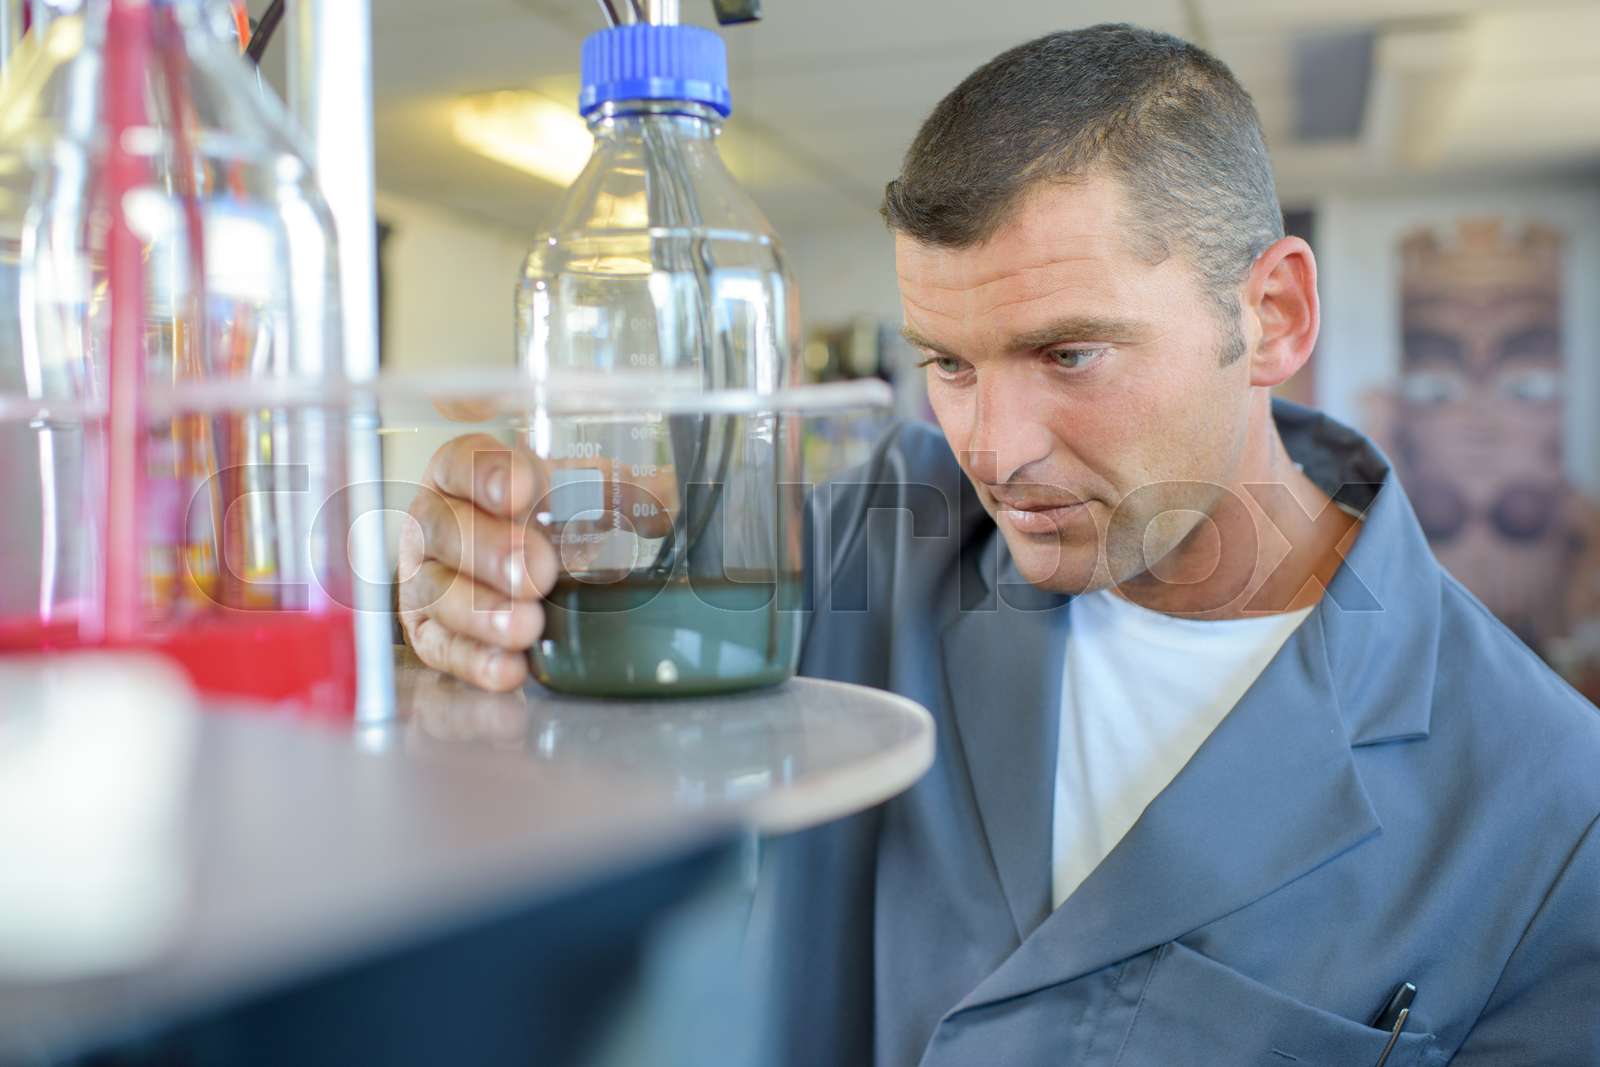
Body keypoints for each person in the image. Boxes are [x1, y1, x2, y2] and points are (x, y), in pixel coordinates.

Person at [397, 24, 1600, 1066]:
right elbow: (642, 572)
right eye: (950, 364)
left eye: (1068, 354)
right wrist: (486, 575)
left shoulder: (1551, 811)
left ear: (1270, 313)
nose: (995, 445)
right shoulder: (897, 531)